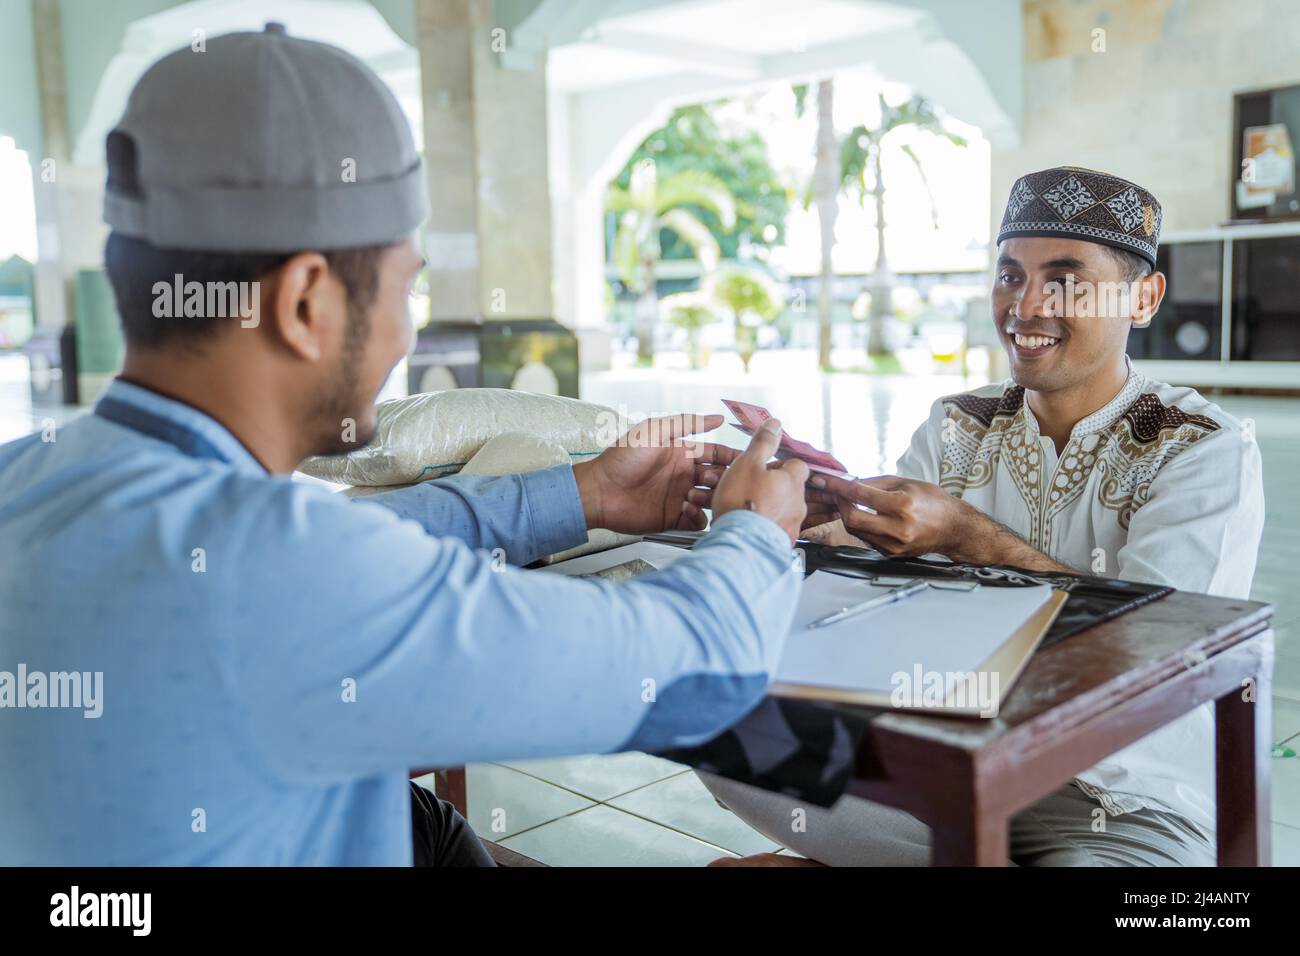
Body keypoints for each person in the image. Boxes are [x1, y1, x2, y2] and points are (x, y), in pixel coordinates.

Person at [0, 26, 811, 866]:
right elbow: (697, 667)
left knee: (419, 823)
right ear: (306, 301)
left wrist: (587, 493)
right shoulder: (286, 574)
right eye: (403, 289)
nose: (404, 335)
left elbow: (354, 548)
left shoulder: (31, 474)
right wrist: (753, 531)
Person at [702, 166, 1265, 867]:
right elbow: (881, 584)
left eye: (1063, 279)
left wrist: (968, 536)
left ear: (1143, 297)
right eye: (1009, 276)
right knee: (723, 738)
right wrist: (805, 518)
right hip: (939, 766)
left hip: (1116, 797)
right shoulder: (959, 423)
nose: (1025, 306)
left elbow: (1151, 654)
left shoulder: (1199, 446)